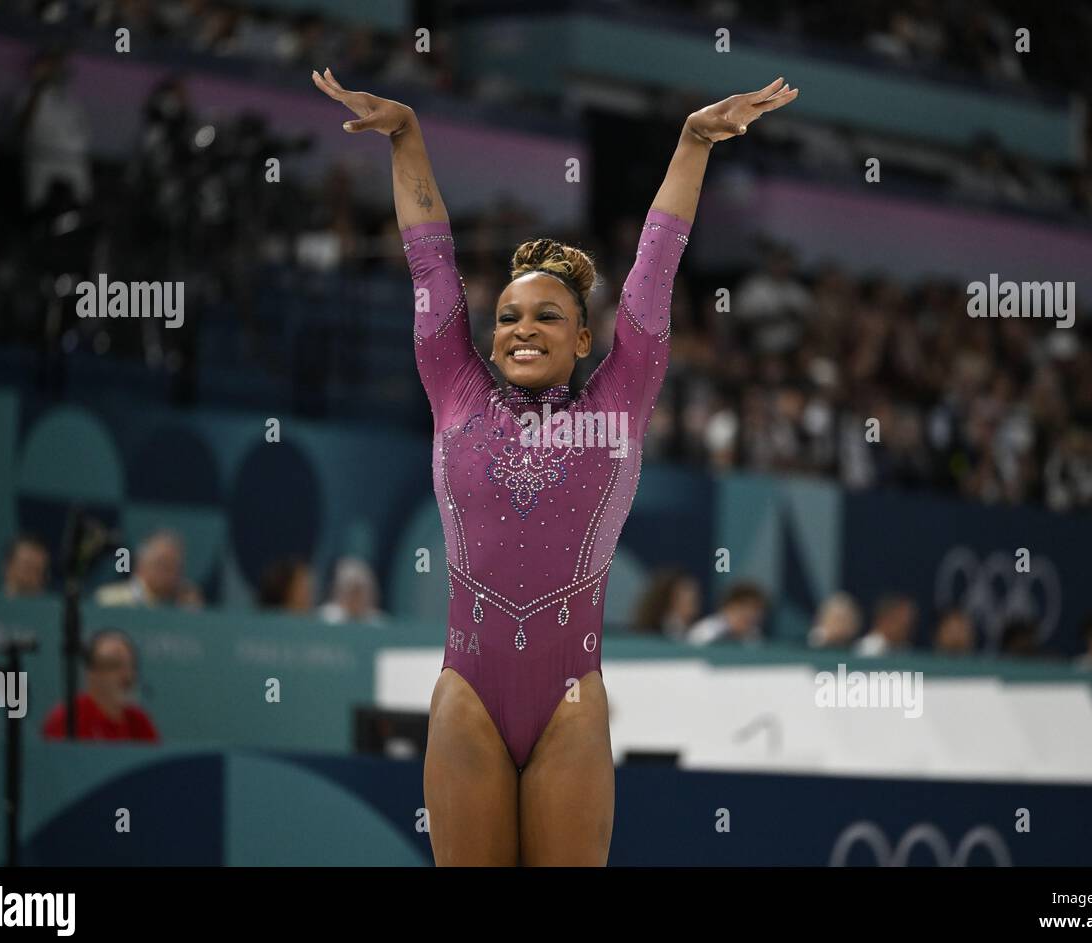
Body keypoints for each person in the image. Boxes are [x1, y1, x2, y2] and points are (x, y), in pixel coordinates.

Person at [312, 67, 798, 864]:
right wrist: (405, 136)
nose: (521, 329)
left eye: (547, 316)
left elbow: (652, 275)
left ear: (583, 338)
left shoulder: (618, 406)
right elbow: (431, 267)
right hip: (466, 693)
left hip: (572, 701)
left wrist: (692, 142)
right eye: (507, 316)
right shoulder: (454, 387)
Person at [42, 628, 159, 742]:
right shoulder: (68, 719)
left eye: (132, 666)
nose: (127, 676)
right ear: (91, 673)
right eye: (114, 665)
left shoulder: (139, 721)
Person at [94, 529, 203, 609]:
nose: (169, 573)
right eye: (162, 564)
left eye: (176, 568)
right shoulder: (109, 599)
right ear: (140, 564)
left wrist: (191, 614)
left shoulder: (183, 605)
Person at [685, 582, 769, 646]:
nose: (749, 615)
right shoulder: (706, 630)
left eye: (755, 610)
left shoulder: (754, 636)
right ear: (728, 607)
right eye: (743, 609)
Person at [630, 568, 701, 640]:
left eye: (695, 598)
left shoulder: (698, 633)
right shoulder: (649, 633)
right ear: (670, 599)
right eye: (688, 598)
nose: (694, 602)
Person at [318, 557, 388, 625]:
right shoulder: (326, 619)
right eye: (351, 591)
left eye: (360, 592)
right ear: (340, 591)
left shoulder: (378, 623)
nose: (355, 597)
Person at [2, 533, 50, 598]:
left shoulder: (52, 606)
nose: (32, 576)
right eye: (27, 568)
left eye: (38, 571)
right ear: (8, 567)